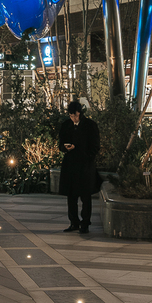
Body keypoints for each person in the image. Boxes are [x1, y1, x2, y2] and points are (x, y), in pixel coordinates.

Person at [56, 98, 101, 234]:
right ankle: (74, 222)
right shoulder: (66, 125)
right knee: (71, 196)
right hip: (70, 164)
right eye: (70, 116)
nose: (73, 118)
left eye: (75, 115)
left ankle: (85, 223)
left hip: (85, 165)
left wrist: (87, 156)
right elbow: (60, 143)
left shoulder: (90, 125)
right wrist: (65, 148)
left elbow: (95, 145)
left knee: (85, 195)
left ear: (79, 113)